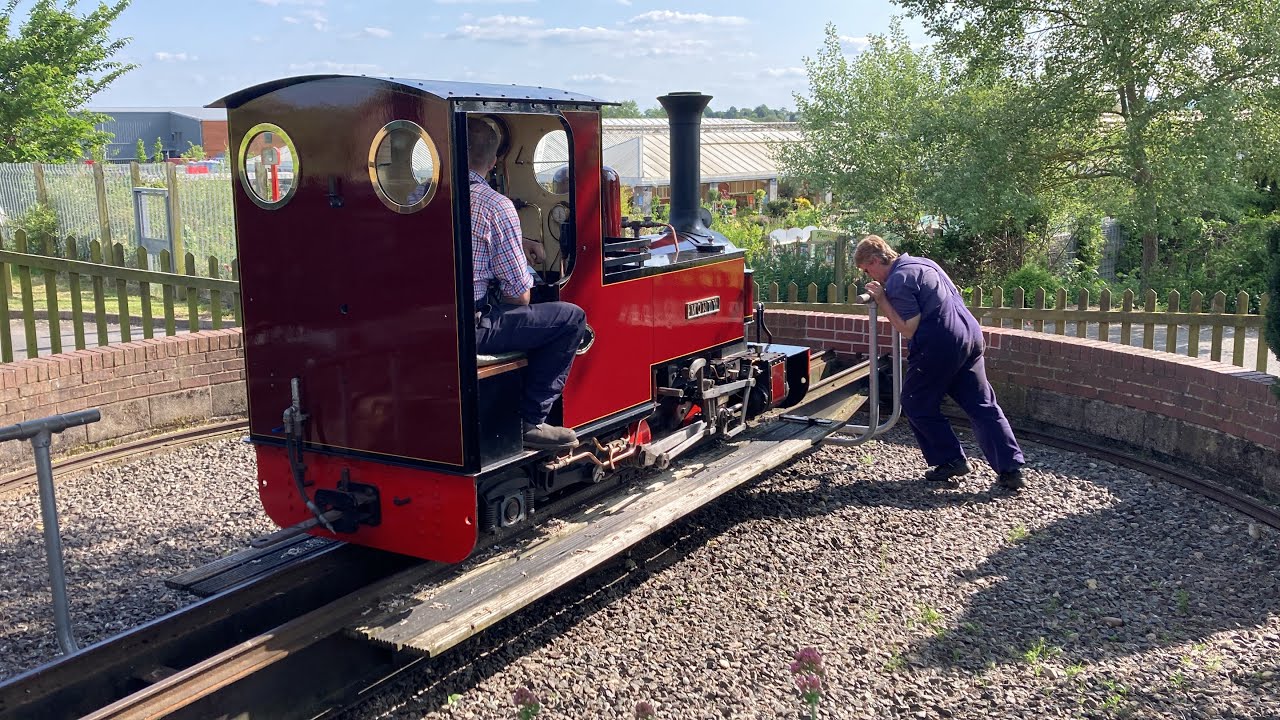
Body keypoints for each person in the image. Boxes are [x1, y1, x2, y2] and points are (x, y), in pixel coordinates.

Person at [855, 235, 1026, 490]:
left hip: (939, 344)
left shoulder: (900, 280)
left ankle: (951, 459)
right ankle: (1011, 470)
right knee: (982, 405)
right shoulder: (926, 263)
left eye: (868, 269)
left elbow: (908, 328)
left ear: (876, 259)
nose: (871, 275)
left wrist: (882, 300)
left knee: (915, 401)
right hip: (970, 336)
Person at [467, 116, 586, 450]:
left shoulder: (421, 195)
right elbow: (519, 295)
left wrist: (518, 241)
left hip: (421, 320)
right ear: (493, 163)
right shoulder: (495, 205)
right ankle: (530, 421)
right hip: (470, 329)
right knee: (570, 317)